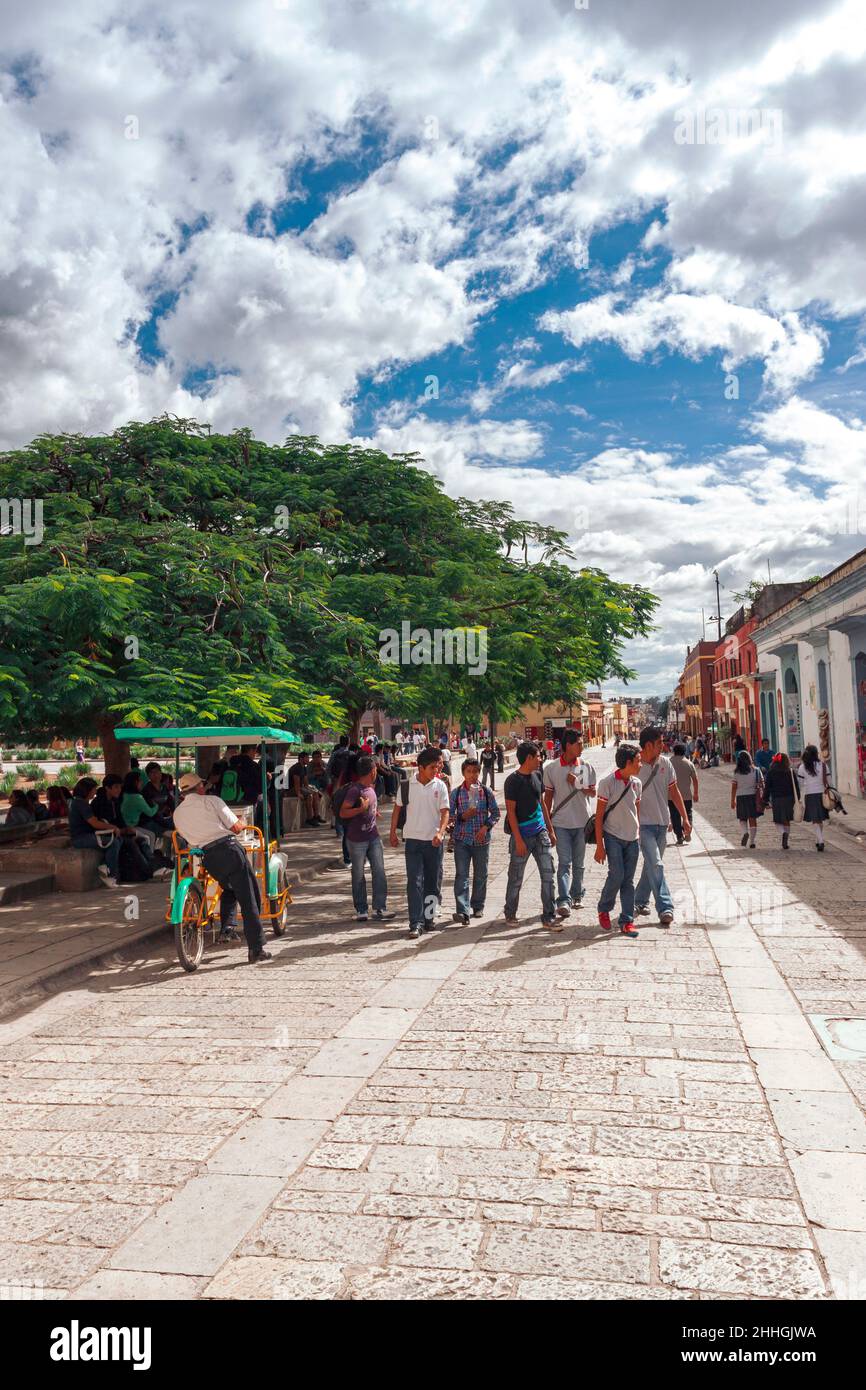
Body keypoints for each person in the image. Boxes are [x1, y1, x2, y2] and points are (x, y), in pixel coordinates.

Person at [173, 771, 272, 962]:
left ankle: (227, 928)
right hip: (229, 851)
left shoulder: (178, 813)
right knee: (249, 896)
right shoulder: (212, 801)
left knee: (229, 887)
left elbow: (190, 839)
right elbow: (235, 828)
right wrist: (243, 822)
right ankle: (256, 948)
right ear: (200, 787)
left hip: (209, 858)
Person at [390, 746, 450, 940]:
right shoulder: (407, 786)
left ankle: (429, 918)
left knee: (433, 883)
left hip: (433, 842)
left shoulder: (440, 785)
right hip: (413, 842)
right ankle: (415, 922)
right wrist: (392, 833)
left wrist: (441, 833)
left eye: (438, 766)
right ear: (421, 768)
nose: (436, 770)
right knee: (414, 882)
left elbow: (445, 811)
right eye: (433, 767)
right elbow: (397, 809)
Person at [634, 726, 690, 928]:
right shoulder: (634, 765)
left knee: (651, 866)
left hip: (662, 824)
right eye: (659, 743)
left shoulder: (665, 763)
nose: (663, 746)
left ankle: (638, 901)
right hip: (643, 826)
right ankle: (665, 907)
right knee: (656, 864)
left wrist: (684, 818)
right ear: (648, 745)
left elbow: (674, 792)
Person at [503, 741, 559, 932]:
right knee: (516, 877)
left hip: (540, 832)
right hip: (522, 836)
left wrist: (550, 829)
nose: (540, 759)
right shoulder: (512, 781)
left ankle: (549, 914)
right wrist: (518, 839)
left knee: (548, 874)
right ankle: (510, 912)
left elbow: (542, 804)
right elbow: (510, 812)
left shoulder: (537, 775)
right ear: (528, 758)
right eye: (537, 756)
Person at [542, 729, 596, 916]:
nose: (582, 746)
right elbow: (547, 798)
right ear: (568, 745)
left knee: (579, 863)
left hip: (583, 821)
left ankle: (577, 894)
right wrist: (547, 825)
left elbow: (592, 792)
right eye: (579, 743)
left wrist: (577, 783)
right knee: (564, 862)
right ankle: (564, 900)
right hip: (561, 823)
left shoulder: (585, 766)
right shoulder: (552, 768)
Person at [593, 743, 642, 938]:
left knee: (628, 880)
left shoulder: (637, 783)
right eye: (638, 761)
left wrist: (639, 832)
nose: (641, 764)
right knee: (617, 875)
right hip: (613, 836)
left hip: (633, 838)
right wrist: (599, 846)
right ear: (628, 762)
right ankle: (604, 908)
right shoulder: (607, 783)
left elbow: (637, 810)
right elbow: (599, 816)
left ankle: (627, 920)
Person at [339, 755, 395, 923]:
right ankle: (361, 909)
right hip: (356, 840)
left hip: (373, 836)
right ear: (372, 771)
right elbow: (343, 812)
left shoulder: (371, 789)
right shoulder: (355, 790)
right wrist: (360, 809)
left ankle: (380, 908)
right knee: (358, 874)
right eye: (376, 769)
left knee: (379, 871)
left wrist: (372, 812)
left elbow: (369, 808)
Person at [449, 757, 500, 924]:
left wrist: (486, 827)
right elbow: (449, 817)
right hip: (462, 839)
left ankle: (478, 905)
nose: (472, 775)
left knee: (480, 874)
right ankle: (462, 911)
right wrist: (462, 816)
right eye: (468, 772)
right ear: (463, 773)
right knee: (461, 875)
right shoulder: (456, 793)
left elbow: (495, 813)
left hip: (481, 840)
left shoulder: (485, 792)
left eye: (475, 772)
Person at [68, 777, 122, 885]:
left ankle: (104, 865)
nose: (95, 792)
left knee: (117, 840)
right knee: (114, 843)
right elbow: (94, 822)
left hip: (83, 836)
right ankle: (111, 875)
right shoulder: (81, 804)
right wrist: (112, 827)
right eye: (94, 789)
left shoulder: (76, 802)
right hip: (82, 838)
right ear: (87, 790)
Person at [797, 745, 831, 851]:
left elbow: (800, 783)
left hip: (810, 795)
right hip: (822, 794)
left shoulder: (802, 767)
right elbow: (829, 782)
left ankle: (820, 841)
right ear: (816, 754)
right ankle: (818, 839)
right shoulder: (823, 765)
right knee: (819, 818)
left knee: (815, 819)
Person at [765, 752, 800, 849]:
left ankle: (783, 832)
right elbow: (796, 786)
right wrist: (797, 798)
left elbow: (767, 787)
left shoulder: (771, 772)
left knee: (778, 821)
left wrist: (765, 800)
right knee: (787, 820)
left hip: (777, 799)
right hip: (789, 799)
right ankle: (786, 840)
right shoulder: (790, 771)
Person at [120, 771, 168, 841]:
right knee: (151, 835)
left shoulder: (124, 794)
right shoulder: (137, 797)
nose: (142, 783)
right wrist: (156, 805)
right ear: (135, 782)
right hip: (131, 826)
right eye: (140, 781)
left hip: (123, 825)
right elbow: (150, 813)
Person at [731, 749, 763, 848]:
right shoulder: (756, 770)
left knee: (742, 818)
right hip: (753, 797)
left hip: (741, 797)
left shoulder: (737, 772)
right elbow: (761, 783)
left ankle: (745, 832)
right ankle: (752, 842)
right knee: (752, 819)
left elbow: (734, 787)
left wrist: (732, 800)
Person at [670, 742, 698, 845]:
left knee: (675, 816)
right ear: (684, 751)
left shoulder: (669, 763)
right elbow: (695, 779)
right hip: (686, 795)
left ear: (674, 751)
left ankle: (679, 836)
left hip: (672, 796)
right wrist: (695, 793)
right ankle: (687, 830)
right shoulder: (689, 763)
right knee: (688, 814)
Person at [286, 751, 325, 826]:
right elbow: (296, 782)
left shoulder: (303, 768)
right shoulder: (297, 768)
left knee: (315, 793)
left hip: (300, 787)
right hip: (291, 789)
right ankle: (309, 819)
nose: (308, 759)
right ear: (301, 759)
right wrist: (299, 793)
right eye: (306, 758)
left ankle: (316, 816)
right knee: (309, 796)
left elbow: (306, 783)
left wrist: (313, 789)